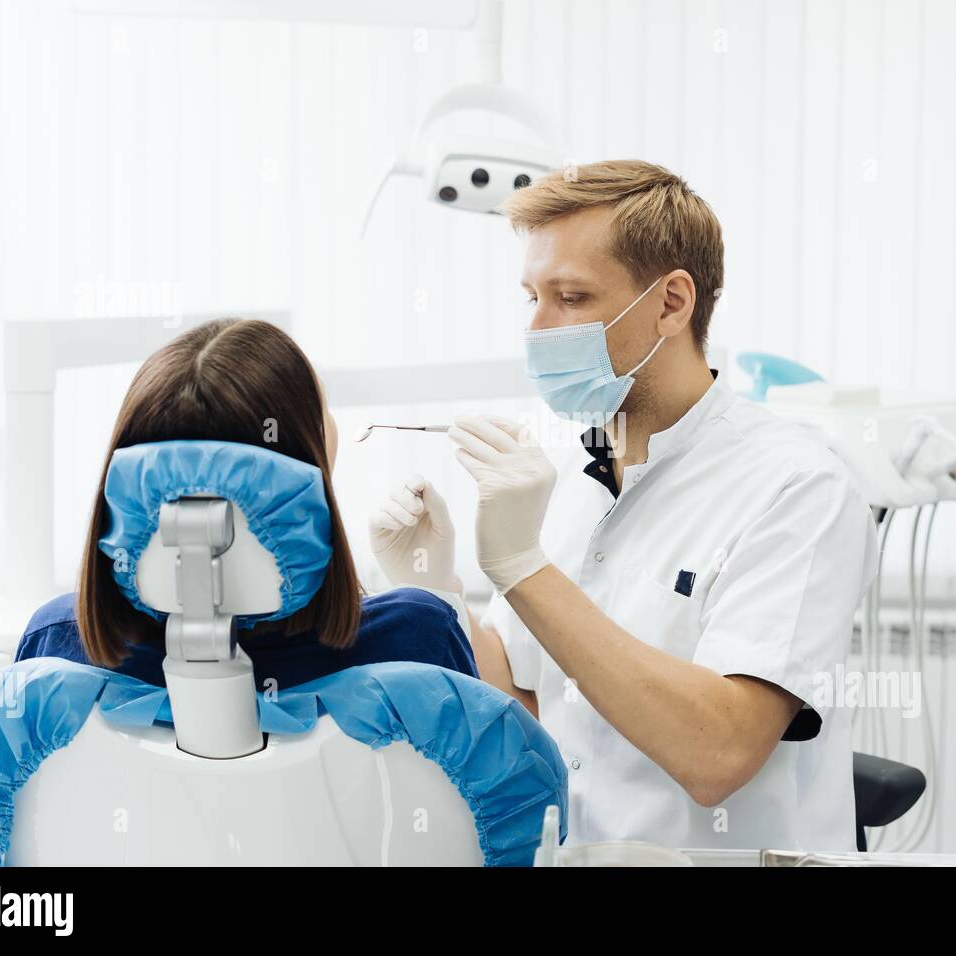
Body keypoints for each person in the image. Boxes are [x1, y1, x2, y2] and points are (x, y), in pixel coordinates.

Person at [369, 160, 878, 851]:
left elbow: (718, 753)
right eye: (532, 298)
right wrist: (434, 590)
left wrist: (523, 567)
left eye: (572, 298)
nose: (540, 328)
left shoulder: (798, 486)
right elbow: (526, 699)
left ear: (672, 303)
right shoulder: (576, 479)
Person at [16, 318, 477, 689]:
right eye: (322, 408)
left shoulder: (57, 644)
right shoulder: (415, 638)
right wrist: (434, 589)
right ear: (298, 473)